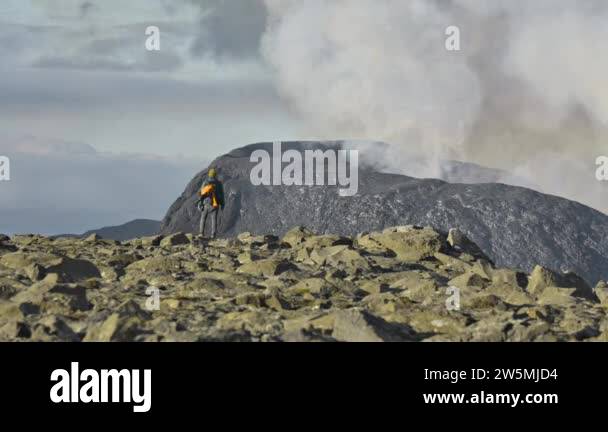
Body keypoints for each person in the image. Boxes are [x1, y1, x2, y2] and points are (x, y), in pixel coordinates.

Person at [197, 168, 225, 239]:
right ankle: (213, 235)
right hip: (215, 204)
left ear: (209, 174)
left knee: (203, 218)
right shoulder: (219, 183)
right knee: (214, 219)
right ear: (215, 175)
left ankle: (201, 233)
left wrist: (200, 203)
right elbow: (222, 195)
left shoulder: (205, 182)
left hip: (206, 203)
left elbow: (201, 193)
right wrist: (222, 204)